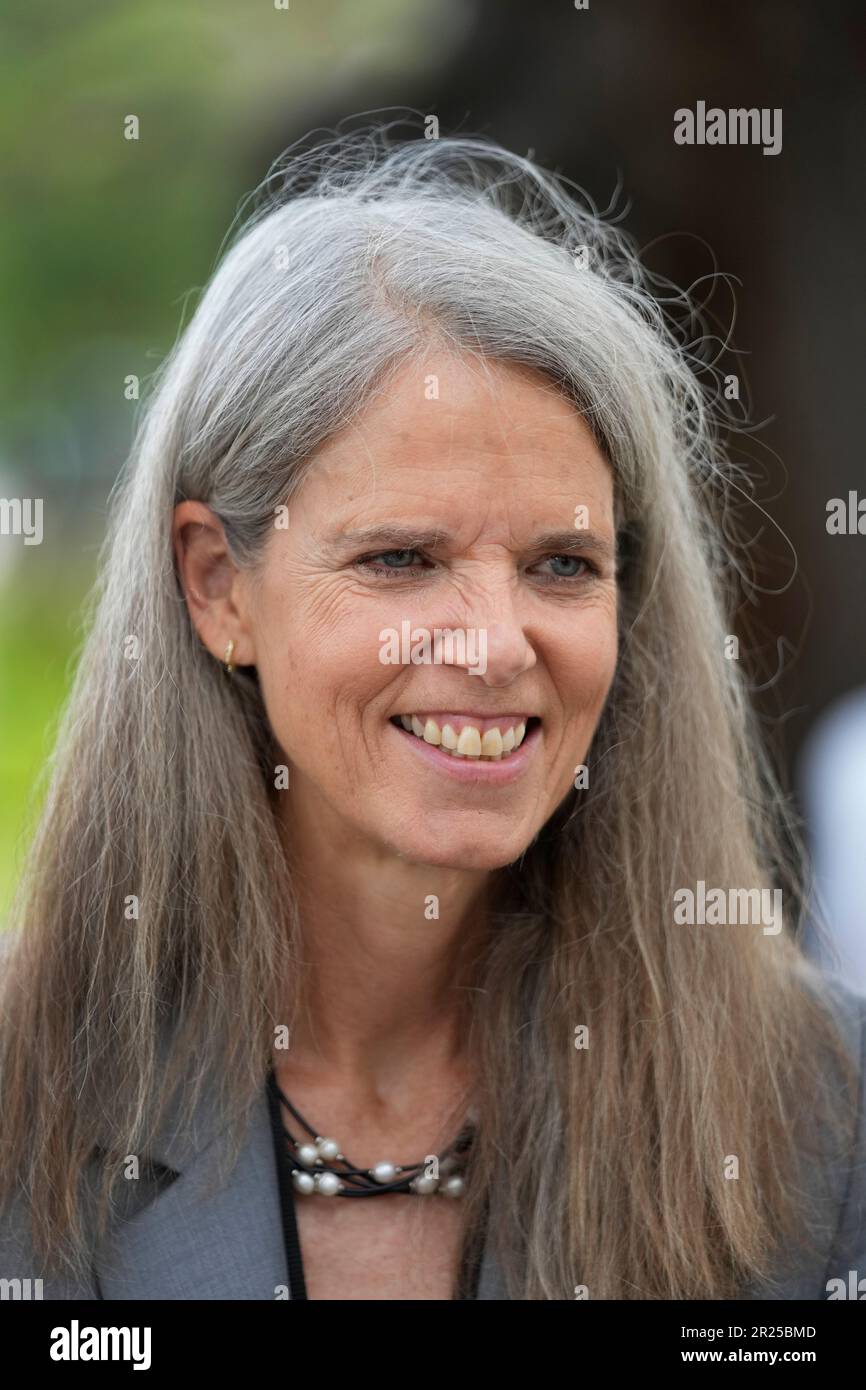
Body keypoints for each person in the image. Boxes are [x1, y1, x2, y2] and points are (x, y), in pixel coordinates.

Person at [0, 122, 863, 1301]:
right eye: (402, 557)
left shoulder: (824, 1119)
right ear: (216, 585)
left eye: (562, 565)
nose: (496, 644)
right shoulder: (22, 1096)